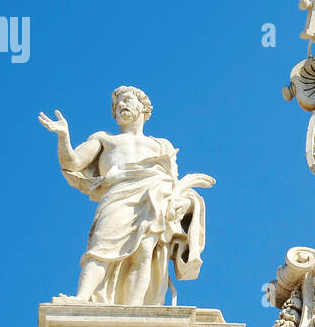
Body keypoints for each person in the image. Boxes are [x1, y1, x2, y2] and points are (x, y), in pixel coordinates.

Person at [39, 86, 212, 305]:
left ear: (143, 107)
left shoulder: (162, 145)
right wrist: (64, 137)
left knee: (145, 253)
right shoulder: (104, 139)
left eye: (127, 100)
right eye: (116, 103)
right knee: (101, 244)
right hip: (118, 196)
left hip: (153, 197)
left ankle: (135, 308)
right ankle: (82, 297)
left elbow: (174, 183)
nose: (120, 105)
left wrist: (184, 202)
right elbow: (72, 163)